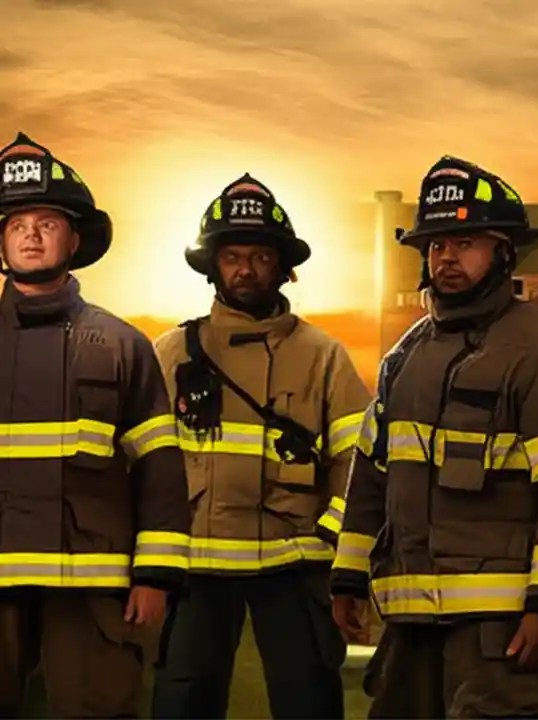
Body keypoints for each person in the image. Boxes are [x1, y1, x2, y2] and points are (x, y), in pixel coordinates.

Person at [330, 156, 538, 718]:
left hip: (501, 634)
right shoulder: (405, 356)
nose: (447, 257)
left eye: (465, 243)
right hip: (411, 628)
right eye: (437, 245)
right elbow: (371, 476)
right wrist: (348, 577)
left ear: (503, 252)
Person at [149, 174, 370, 718]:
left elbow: (358, 462)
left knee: (307, 701)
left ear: (283, 266)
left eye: (260, 257)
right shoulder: (172, 354)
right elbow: (146, 467)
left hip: (294, 564)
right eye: (232, 257)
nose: (245, 269)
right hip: (196, 564)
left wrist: (330, 539)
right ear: (212, 266)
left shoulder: (323, 355)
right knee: (184, 699)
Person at [0, 132, 191, 716]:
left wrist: (155, 575)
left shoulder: (121, 344)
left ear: (75, 239)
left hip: (92, 584)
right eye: (16, 224)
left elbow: (159, 469)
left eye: (47, 223)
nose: (31, 235)